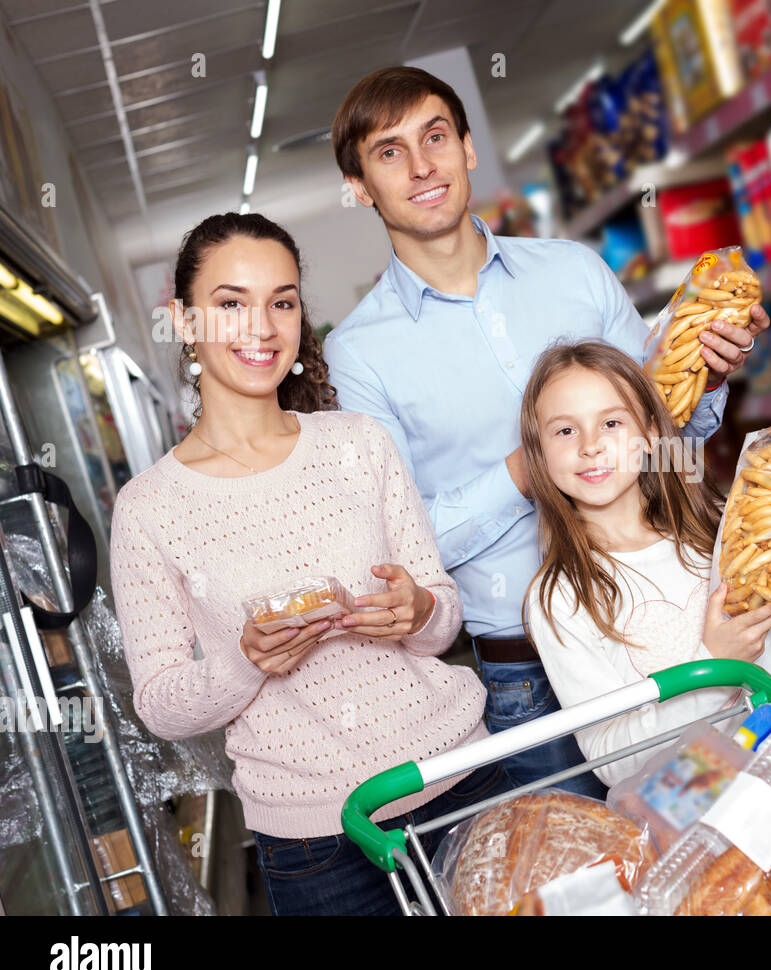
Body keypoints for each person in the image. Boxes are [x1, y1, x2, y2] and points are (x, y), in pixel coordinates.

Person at [322, 67, 769, 796]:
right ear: (361, 186)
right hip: (526, 675)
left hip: (667, 621)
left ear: (468, 148)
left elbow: (667, 436)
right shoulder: (358, 353)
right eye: (389, 151)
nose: (422, 165)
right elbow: (401, 545)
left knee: (727, 850)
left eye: (436, 136)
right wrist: (524, 472)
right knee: (590, 888)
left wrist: (706, 376)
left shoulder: (575, 271)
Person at [109, 213, 507, 916]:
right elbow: (159, 704)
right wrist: (243, 661)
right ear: (182, 319)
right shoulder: (147, 507)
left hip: (458, 780)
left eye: (282, 301)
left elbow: (441, 617)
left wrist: (418, 609)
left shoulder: (358, 442)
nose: (261, 327)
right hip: (315, 845)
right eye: (231, 303)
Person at [521, 341, 771, 786]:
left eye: (611, 423)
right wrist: (714, 665)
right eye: (565, 431)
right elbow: (611, 762)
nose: (590, 446)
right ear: (539, 451)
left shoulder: (714, 534)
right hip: (680, 815)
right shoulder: (560, 597)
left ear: (651, 433)